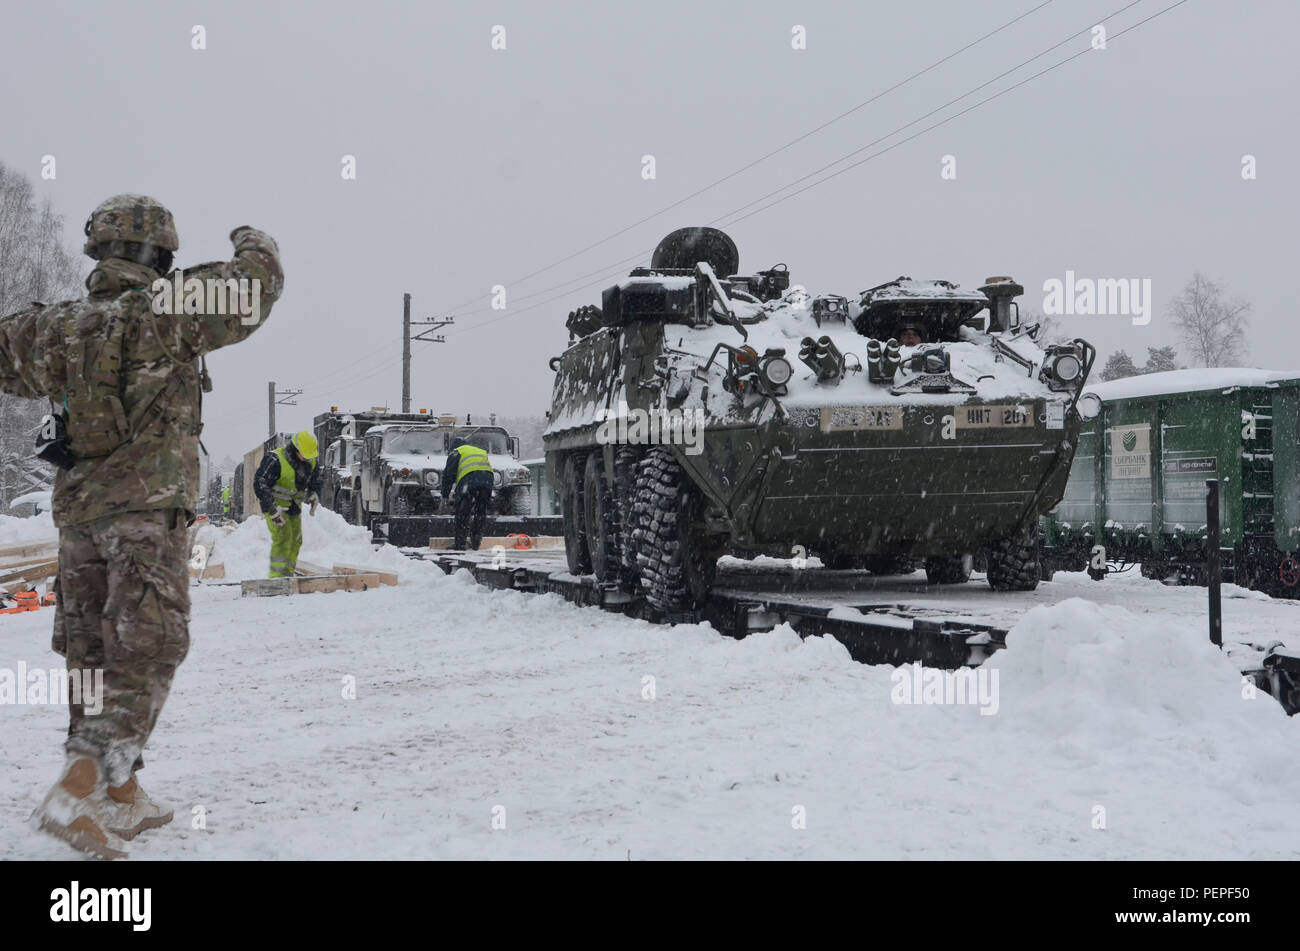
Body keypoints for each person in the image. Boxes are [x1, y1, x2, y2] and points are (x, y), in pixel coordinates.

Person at [0, 194, 283, 859]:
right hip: (145, 517)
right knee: (148, 649)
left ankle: (120, 794)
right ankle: (76, 791)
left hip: (78, 523)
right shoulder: (166, 310)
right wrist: (252, 235)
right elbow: (256, 285)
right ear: (158, 255)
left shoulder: (52, 328)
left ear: (98, 253)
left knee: (91, 654)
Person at [253, 431, 321, 578]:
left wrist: (314, 493)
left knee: (296, 539)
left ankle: (287, 574)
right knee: (283, 538)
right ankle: (276, 578)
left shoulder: (311, 461)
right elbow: (260, 483)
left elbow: (315, 480)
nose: (306, 458)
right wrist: (271, 507)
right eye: (304, 454)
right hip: (274, 505)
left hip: (293, 506)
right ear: (295, 449)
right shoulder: (274, 459)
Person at [440, 437, 493, 549]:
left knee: (463, 513)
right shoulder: (479, 451)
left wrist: (445, 495)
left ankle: (460, 544)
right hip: (487, 480)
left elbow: (448, 475)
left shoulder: (456, 452)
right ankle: (476, 542)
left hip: (469, 481)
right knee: (480, 512)